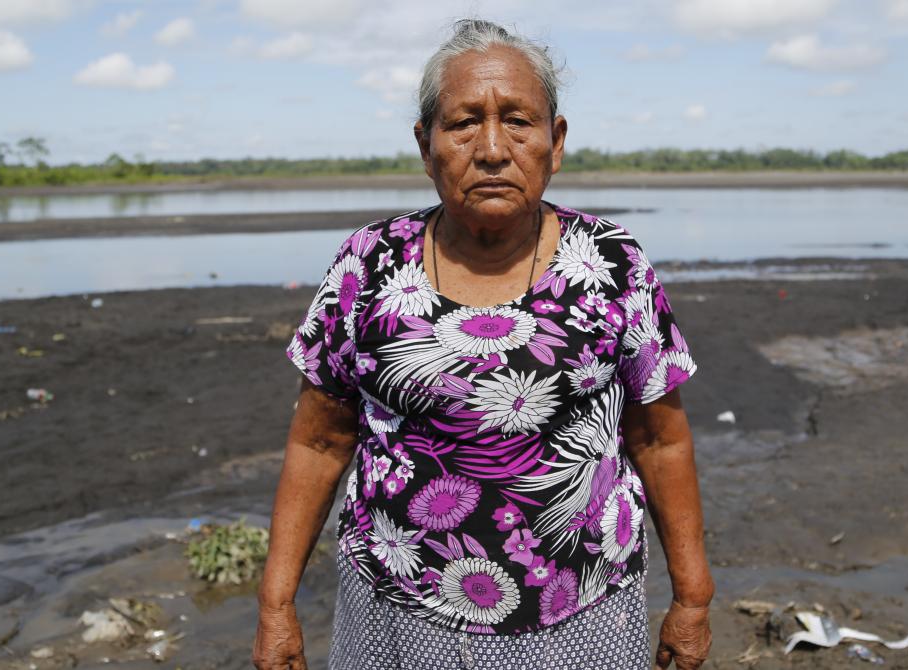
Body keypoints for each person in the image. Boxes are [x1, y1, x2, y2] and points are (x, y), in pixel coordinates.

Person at [254, 18, 714, 670]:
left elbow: (660, 441)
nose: (493, 149)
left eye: (518, 122)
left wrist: (693, 596)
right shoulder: (369, 263)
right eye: (464, 123)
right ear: (426, 145)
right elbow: (320, 442)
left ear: (556, 142)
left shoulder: (612, 263)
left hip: (583, 610)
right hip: (397, 612)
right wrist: (276, 604)